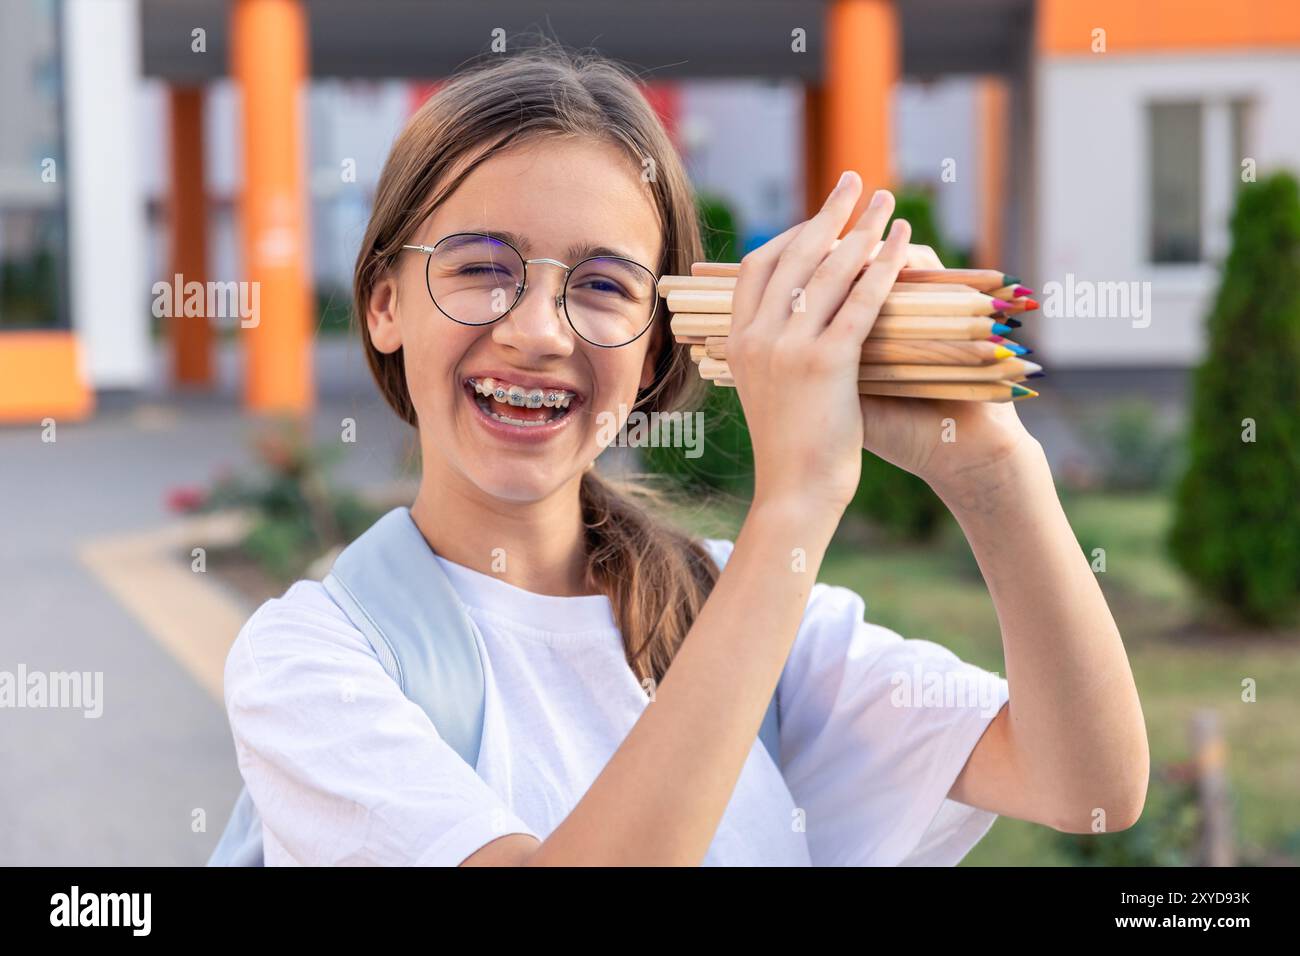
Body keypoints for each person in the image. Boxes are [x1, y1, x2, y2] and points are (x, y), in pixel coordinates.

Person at [221, 44, 1149, 866]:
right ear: (384, 304)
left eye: (603, 285)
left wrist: (988, 469)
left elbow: (1090, 786)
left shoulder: (738, 607)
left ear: (657, 345)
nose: (538, 331)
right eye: (479, 266)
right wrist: (798, 499)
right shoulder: (312, 662)